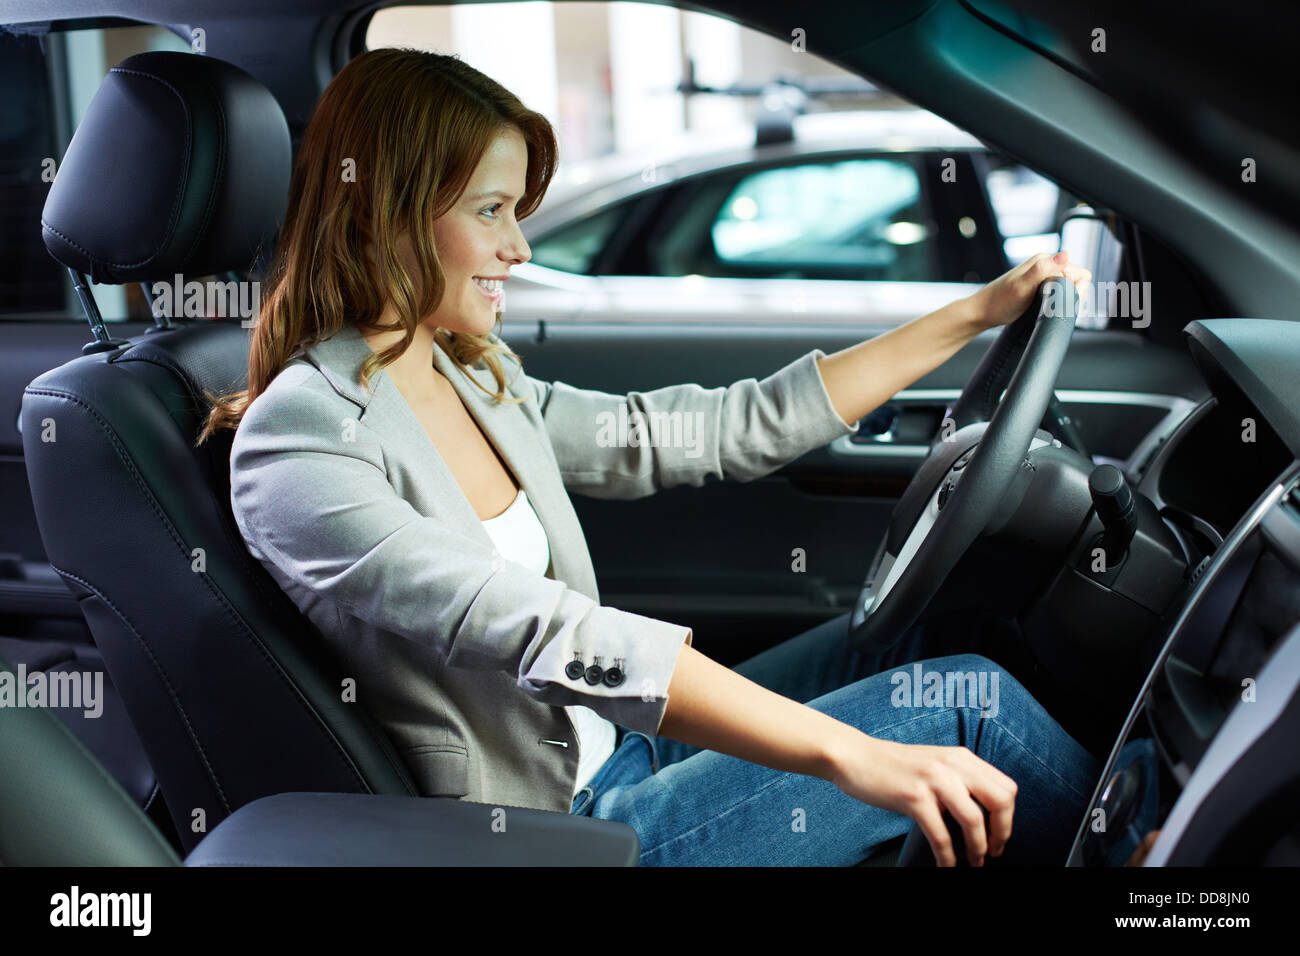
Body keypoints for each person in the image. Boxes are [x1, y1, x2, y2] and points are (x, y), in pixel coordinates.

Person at [200, 48, 1098, 866]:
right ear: (380, 212)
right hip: (568, 829)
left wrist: (978, 313)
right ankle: (1155, 858)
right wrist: (851, 754)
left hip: (619, 746)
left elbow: (718, 428)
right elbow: (554, 632)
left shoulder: (467, 373)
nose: (518, 247)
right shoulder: (303, 443)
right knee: (959, 706)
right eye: (491, 212)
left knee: (938, 639)